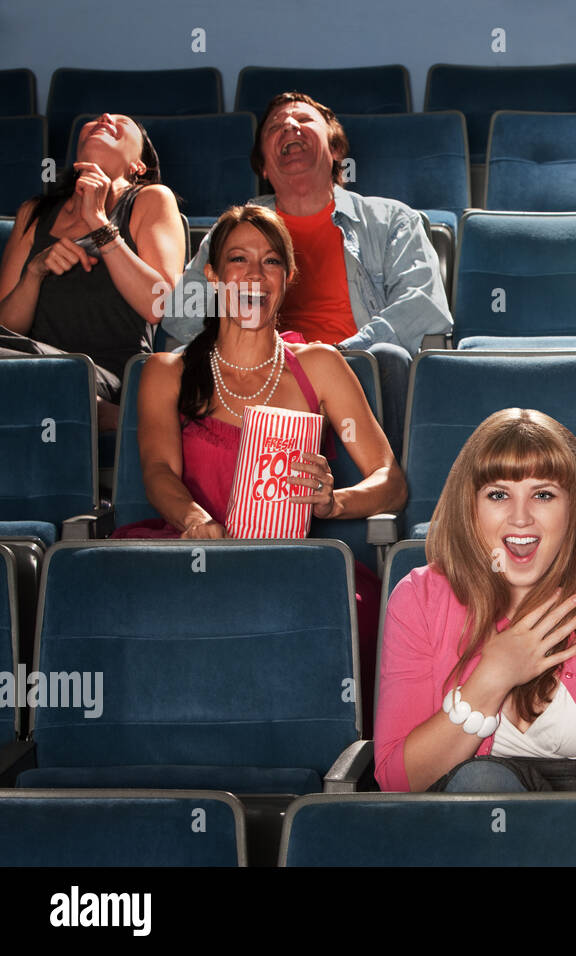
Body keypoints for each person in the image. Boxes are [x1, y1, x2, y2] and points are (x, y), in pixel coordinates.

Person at [116, 204, 407, 735]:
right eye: (238, 259)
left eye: (271, 262)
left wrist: (335, 500)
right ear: (211, 274)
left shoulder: (320, 365)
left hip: (290, 561)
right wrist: (192, 518)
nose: (254, 275)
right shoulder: (167, 371)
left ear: (287, 278)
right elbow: (157, 469)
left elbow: (390, 480)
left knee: (347, 611)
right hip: (196, 549)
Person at [375, 408, 576, 794]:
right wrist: (494, 676)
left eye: (542, 494)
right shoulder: (418, 598)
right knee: (482, 781)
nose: (520, 518)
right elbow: (395, 780)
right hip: (467, 818)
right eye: (498, 495)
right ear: (470, 506)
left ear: (574, 508)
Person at [160, 92, 453, 456]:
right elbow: (180, 316)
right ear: (264, 167)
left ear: (335, 151)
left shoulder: (391, 220)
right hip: (258, 378)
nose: (289, 127)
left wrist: (333, 356)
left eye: (303, 120)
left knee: (389, 355)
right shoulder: (234, 228)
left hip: (358, 370)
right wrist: (249, 357)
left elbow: (422, 306)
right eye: (275, 127)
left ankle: (386, 497)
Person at [0, 113, 186, 423]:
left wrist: (99, 223)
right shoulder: (34, 213)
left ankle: (99, 409)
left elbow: (161, 304)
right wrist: (34, 272)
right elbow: (6, 327)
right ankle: (101, 414)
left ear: (138, 166)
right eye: (96, 119)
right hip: (25, 363)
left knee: (44, 383)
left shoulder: (152, 199)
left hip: (101, 374)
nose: (106, 117)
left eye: (122, 122)